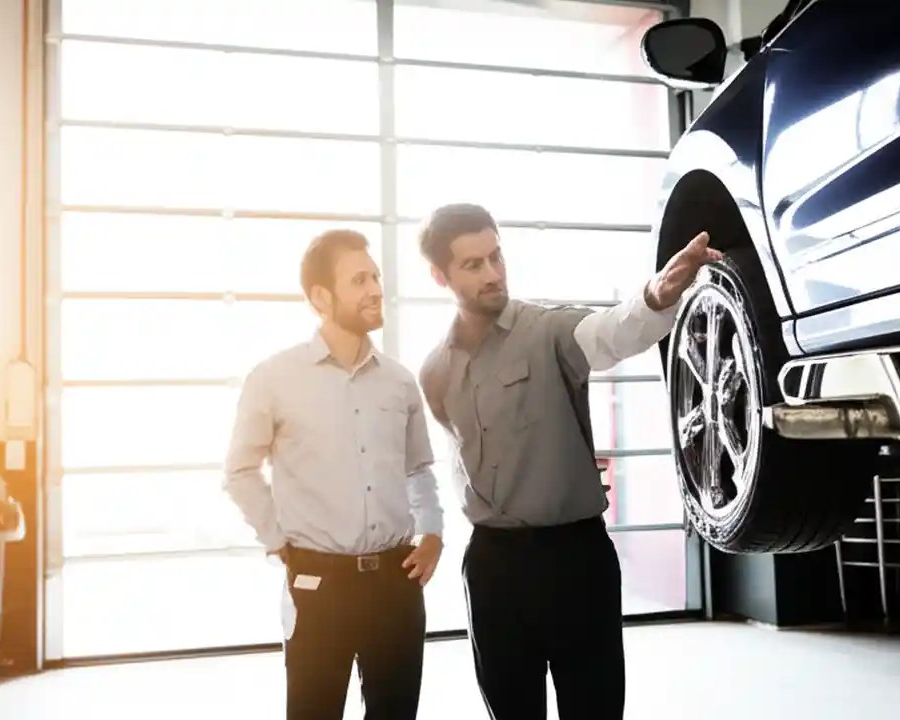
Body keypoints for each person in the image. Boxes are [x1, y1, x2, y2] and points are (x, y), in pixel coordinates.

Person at [416, 203, 721, 719]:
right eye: (473, 265)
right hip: (493, 567)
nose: (492, 273)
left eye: (496, 256)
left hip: (574, 560)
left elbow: (612, 332)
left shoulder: (547, 331)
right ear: (439, 275)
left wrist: (658, 293)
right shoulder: (435, 371)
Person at [223, 229, 446, 720]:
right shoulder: (274, 378)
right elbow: (239, 470)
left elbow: (418, 469)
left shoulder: (399, 381)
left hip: (395, 584)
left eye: (376, 277)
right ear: (321, 297)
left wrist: (432, 530)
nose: (374, 289)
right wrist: (280, 540)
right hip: (318, 586)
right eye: (359, 280)